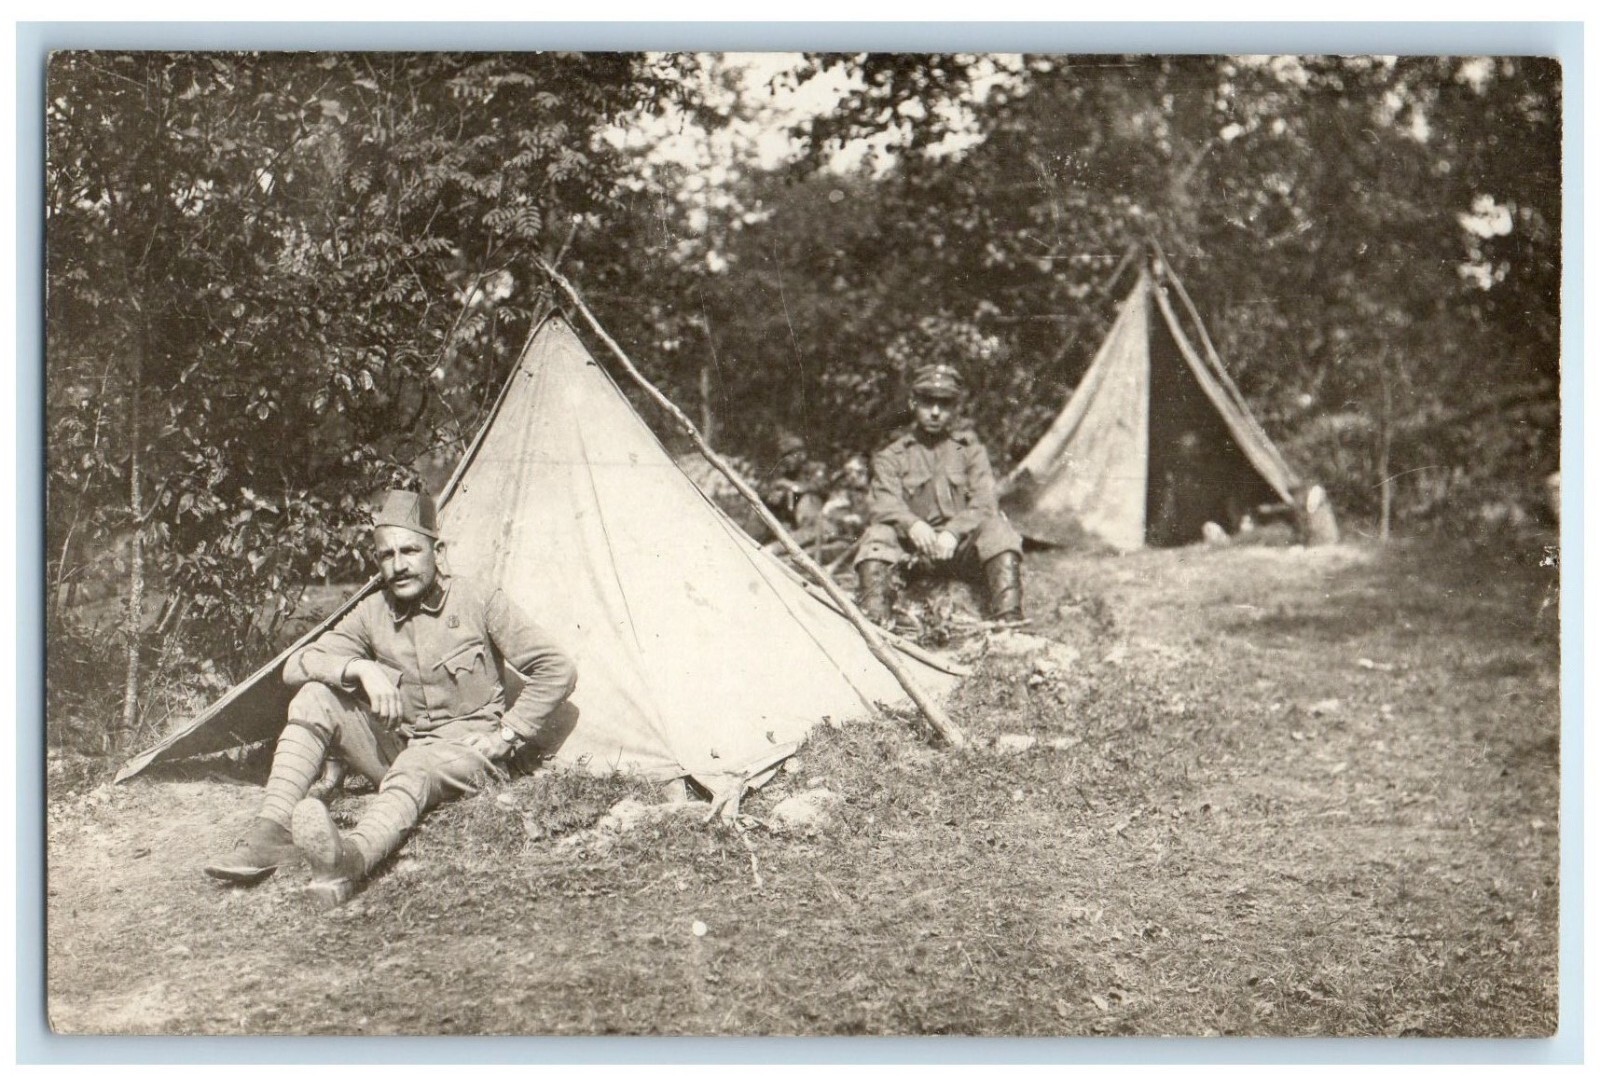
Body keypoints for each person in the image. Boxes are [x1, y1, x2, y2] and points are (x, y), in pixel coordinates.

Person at [203, 489, 577, 907]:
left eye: (410, 551)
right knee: (313, 696)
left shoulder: (478, 599)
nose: (398, 566)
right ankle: (270, 834)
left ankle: (348, 860)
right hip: (401, 748)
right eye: (387, 555)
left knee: (416, 764)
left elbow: (557, 669)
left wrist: (507, 735)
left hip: (467, 750)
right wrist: (359, 668)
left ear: (438, 550)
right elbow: (295, 666)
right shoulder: (372, 611)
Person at [853, 363, 1025, 626]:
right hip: (913, 553)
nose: (935, 412)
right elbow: (884, 502)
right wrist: (912, 524)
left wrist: (954, 531)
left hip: (960, 553)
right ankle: (874, 621)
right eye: (927, 402)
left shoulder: (969, 451)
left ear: (955, 407)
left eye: (944, 404)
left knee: (999, 531)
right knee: (877, 536)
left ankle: (1009, 621)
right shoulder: (892, 455)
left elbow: (985, 501)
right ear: (913, 402)